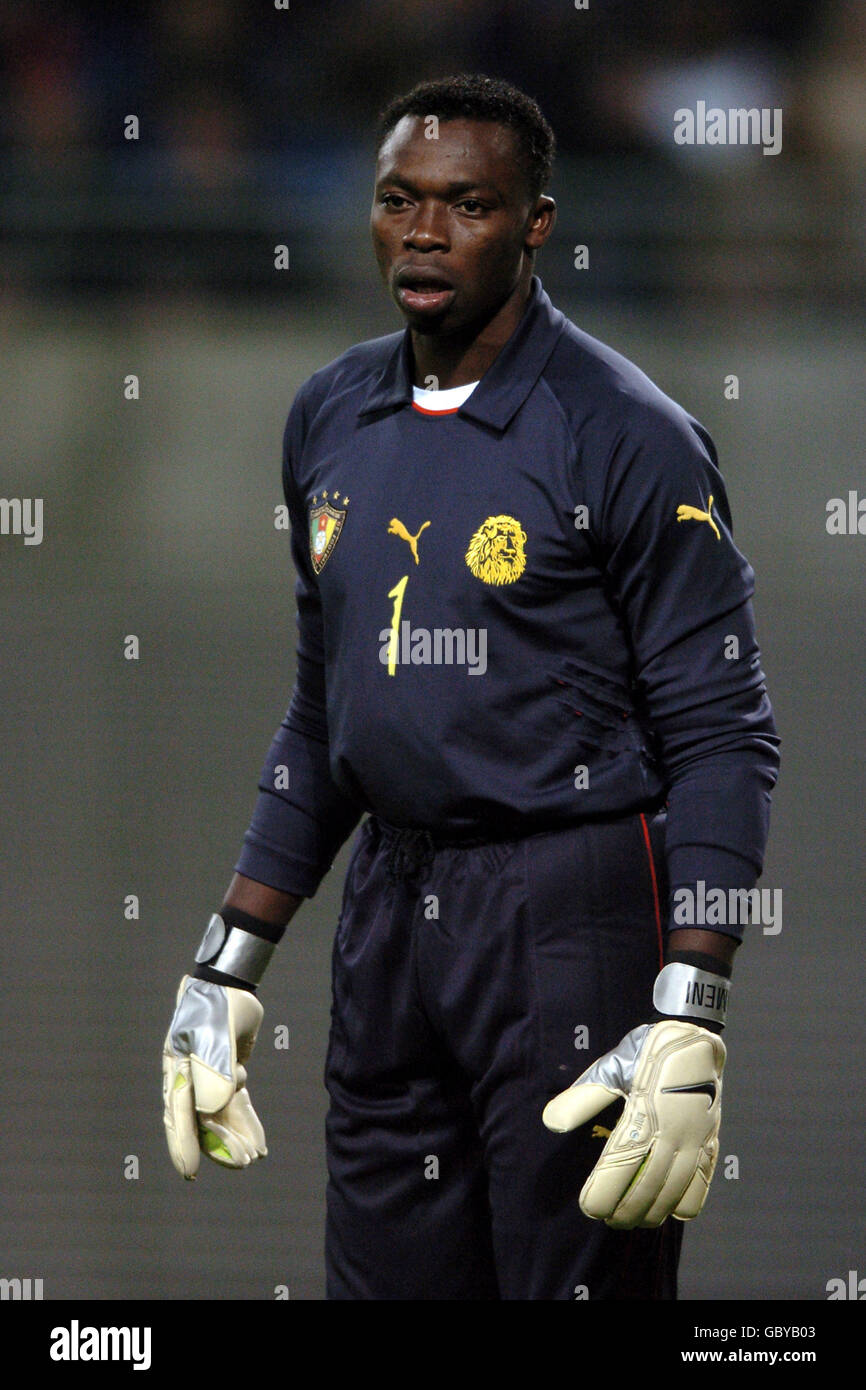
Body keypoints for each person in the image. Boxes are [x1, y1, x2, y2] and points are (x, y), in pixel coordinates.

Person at [162, 74, 780, 1301]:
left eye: (467, 205)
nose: (425, 232)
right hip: (392, 910)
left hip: (570, 908)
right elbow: (322, 710)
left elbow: (722, 728)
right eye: (398, 199)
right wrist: (225, 961)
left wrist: (690, 1002)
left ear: (536, 222)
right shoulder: (330, 415)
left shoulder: (624, 433)